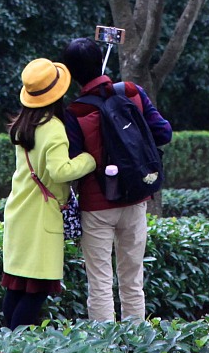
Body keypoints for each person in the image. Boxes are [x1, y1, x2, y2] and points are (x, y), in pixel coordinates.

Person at [61, 37, 173, 323]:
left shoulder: (75, 112)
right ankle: (137, 342)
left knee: (99, 282)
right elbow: (164, 133)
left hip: (97, 206)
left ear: (70, 73)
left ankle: (105, 346)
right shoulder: (133, 93)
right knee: (132, 279)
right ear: (101, 61)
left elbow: (75, 162)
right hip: (136, 198)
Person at [1, 57, 96, 329]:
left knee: (17, 285)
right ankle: (15, 344)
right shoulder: (53, 127)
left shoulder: (23, 123)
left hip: (19, 211)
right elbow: (60, 171)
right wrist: (89, 159)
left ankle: (2, 341)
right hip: (42, 218)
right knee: (38, 288)